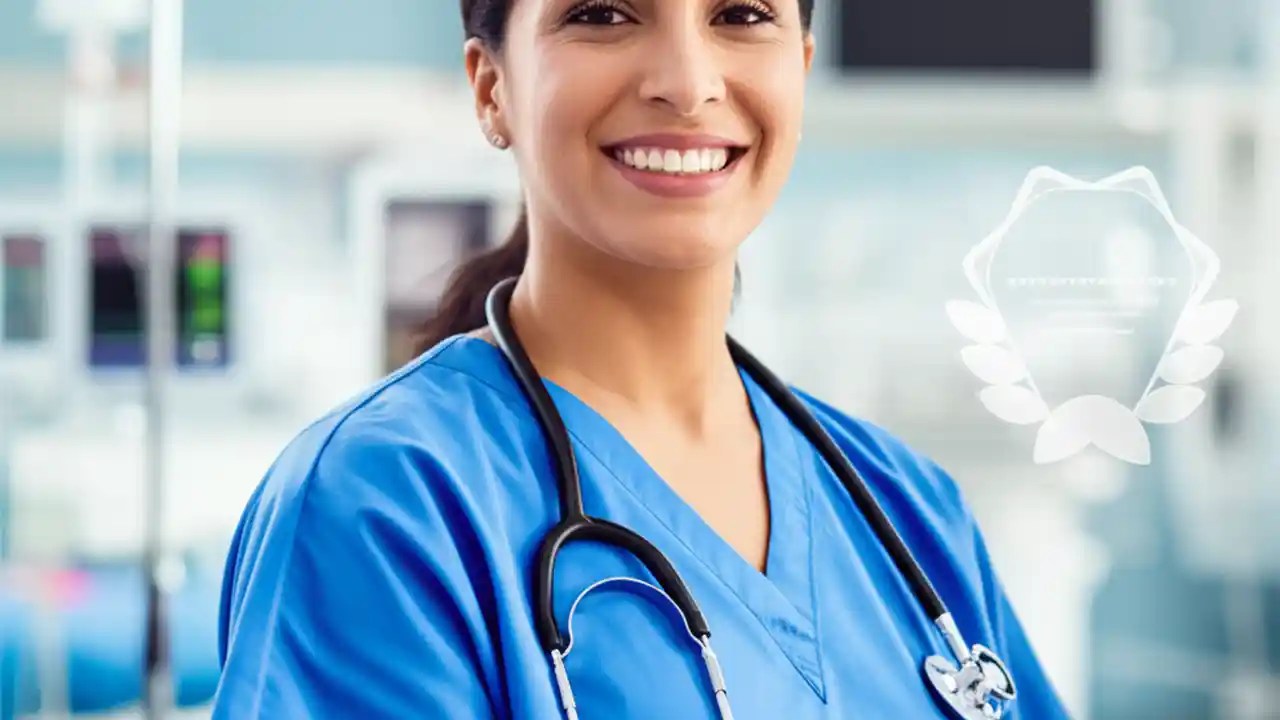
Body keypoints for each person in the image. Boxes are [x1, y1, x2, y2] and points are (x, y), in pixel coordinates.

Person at [212, 0, 1072, 717]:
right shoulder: (387, 503)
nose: (688, 84)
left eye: (740, 14)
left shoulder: (909, 514)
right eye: (602, 13)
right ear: (491, 88)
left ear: (800, 68)